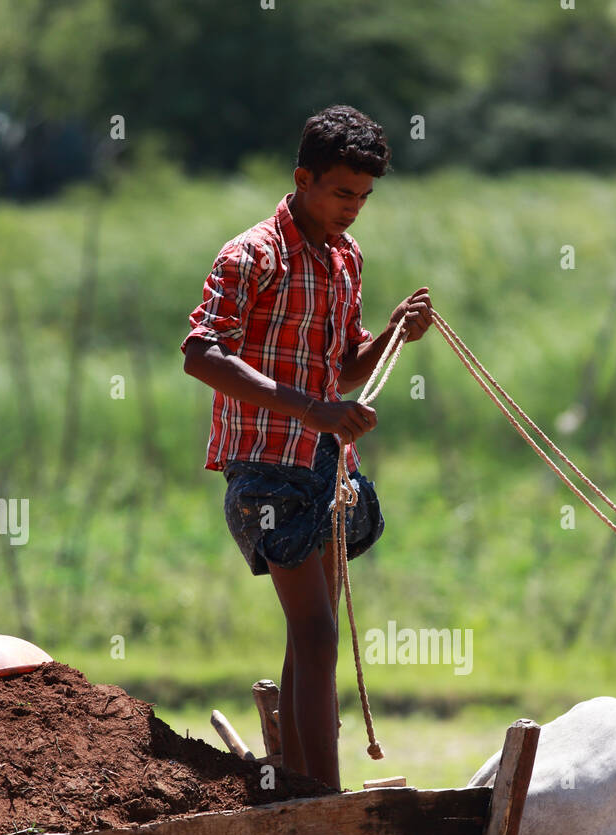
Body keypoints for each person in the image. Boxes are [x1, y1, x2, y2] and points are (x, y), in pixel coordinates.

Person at [182, 104, 432, 789]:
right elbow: (201, 354)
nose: (353, 210)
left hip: (324, 468)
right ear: (303, 178)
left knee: (310, 634)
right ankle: (323, 799)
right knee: (318, 635)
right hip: (267, 468)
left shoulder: (346, 257)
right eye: (341, 193)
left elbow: (345, 366)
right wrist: (313, 409)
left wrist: (393, 337)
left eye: (364, 198)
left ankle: (298, 785)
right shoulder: (251, 254)